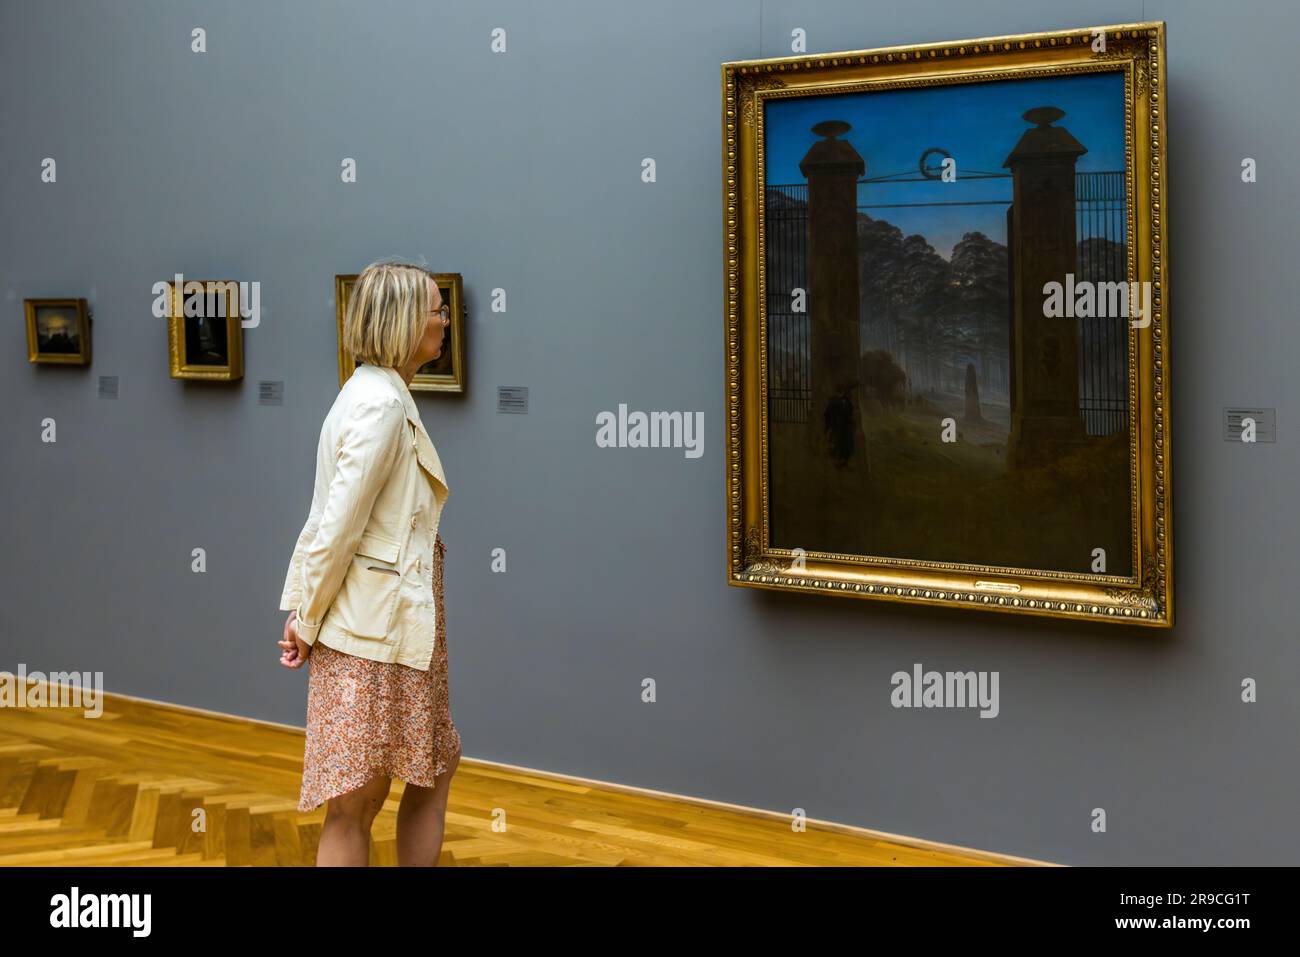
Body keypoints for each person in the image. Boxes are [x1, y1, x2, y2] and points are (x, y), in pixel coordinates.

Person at [276, 259, 460, 866]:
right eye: (437, 309)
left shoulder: (374, 393)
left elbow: (329, 517)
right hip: (373, 630)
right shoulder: (380, 405)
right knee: (356, 797)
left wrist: (303, 609)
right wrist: (304, 617)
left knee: (425, 769)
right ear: (406, 321)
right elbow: (335, 526)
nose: (445, 320)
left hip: (389, 624)